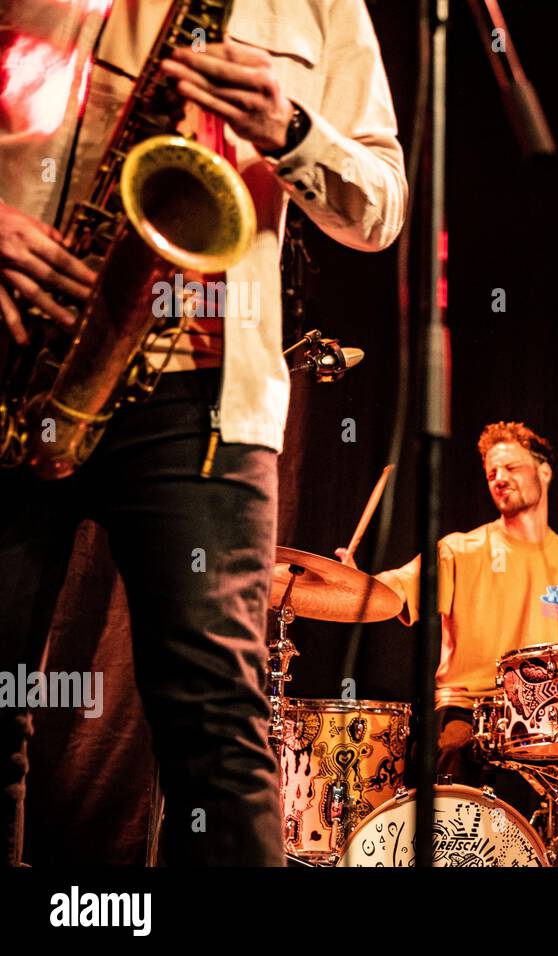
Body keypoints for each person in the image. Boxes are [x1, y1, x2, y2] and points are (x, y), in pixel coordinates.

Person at [0, 0, 406, 865]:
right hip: (15, 356)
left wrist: (292, 131)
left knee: (219, 732)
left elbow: (381, 206)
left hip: (207, 390)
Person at [341, 421, 558, 784]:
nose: (500, 478)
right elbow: (395, 589)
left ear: (544, 472)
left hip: (546, 715)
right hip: (467, 708)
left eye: (511, 467)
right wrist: (354, 583)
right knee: (454, 746)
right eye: (492, 472)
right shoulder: (459, 550)